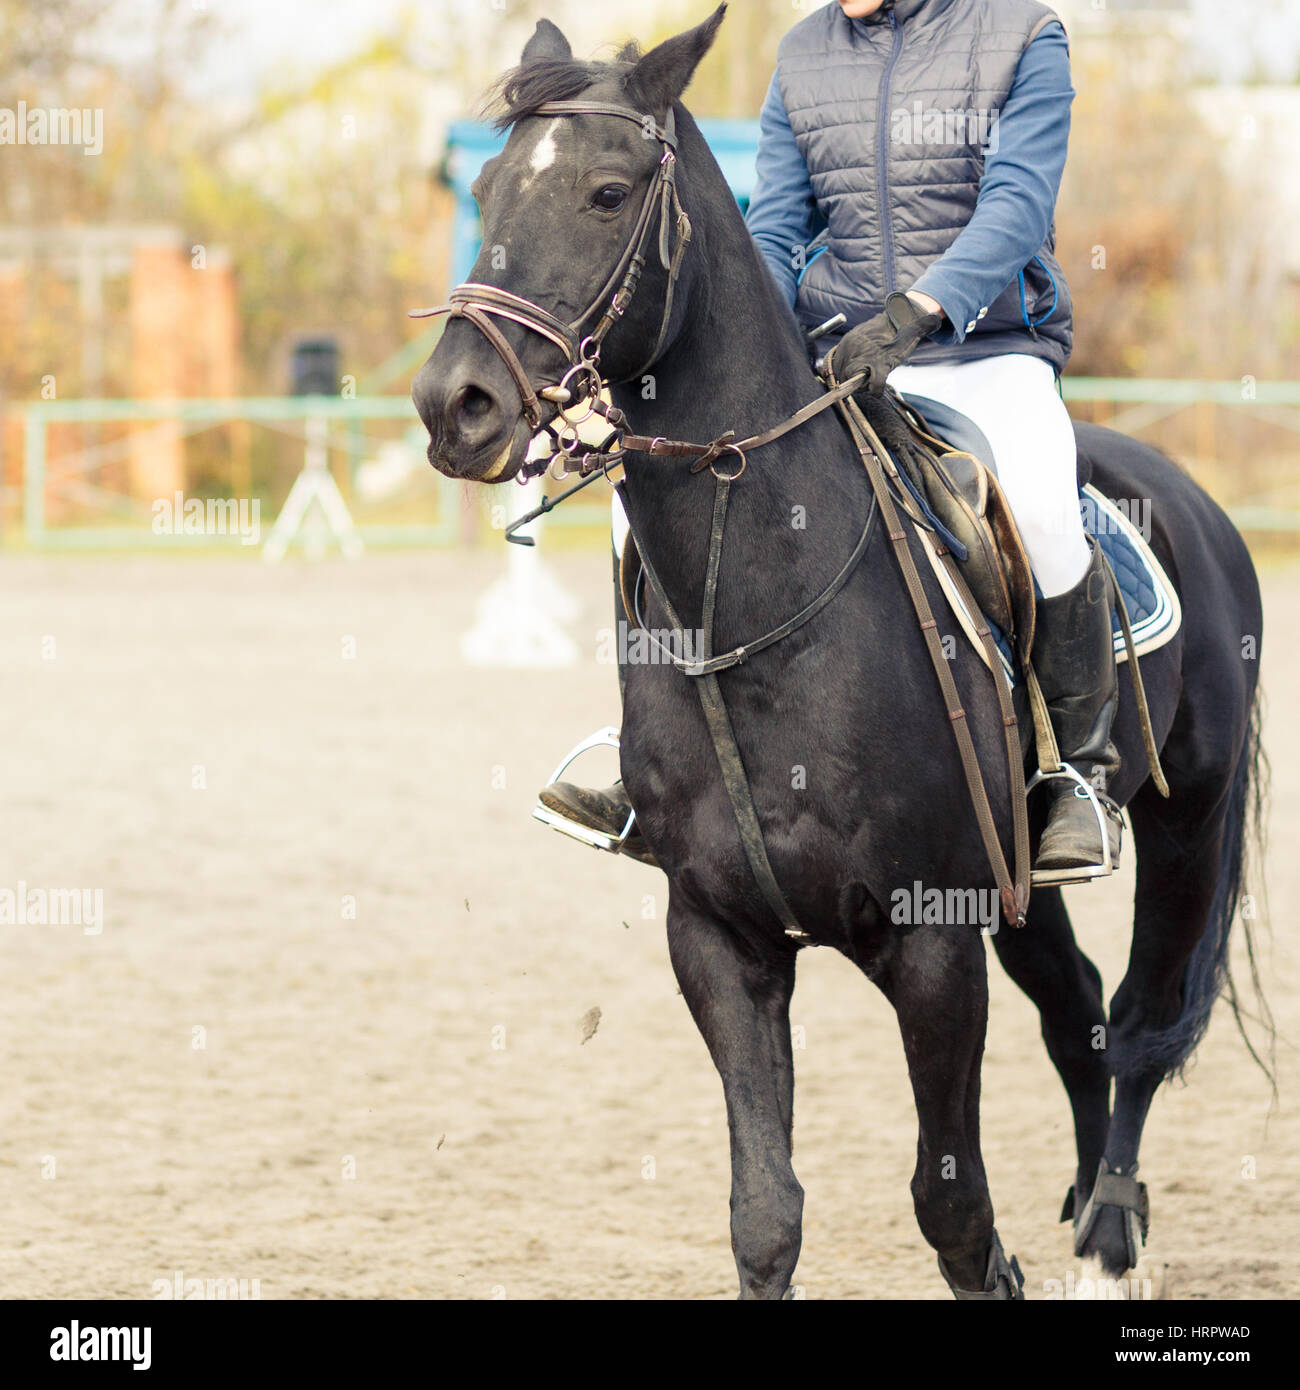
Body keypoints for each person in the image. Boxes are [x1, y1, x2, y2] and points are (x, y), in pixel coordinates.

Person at [539, 0, 1121, 879]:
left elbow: (1017, 204)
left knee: (1039, 512)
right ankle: (647, 768)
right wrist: (747, 345)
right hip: (833, 348)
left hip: (980, 346)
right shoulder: (804, 51)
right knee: (643, 503)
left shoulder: (1023, 34)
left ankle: (1075, 774)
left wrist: (922, 309)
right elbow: (774, 224)